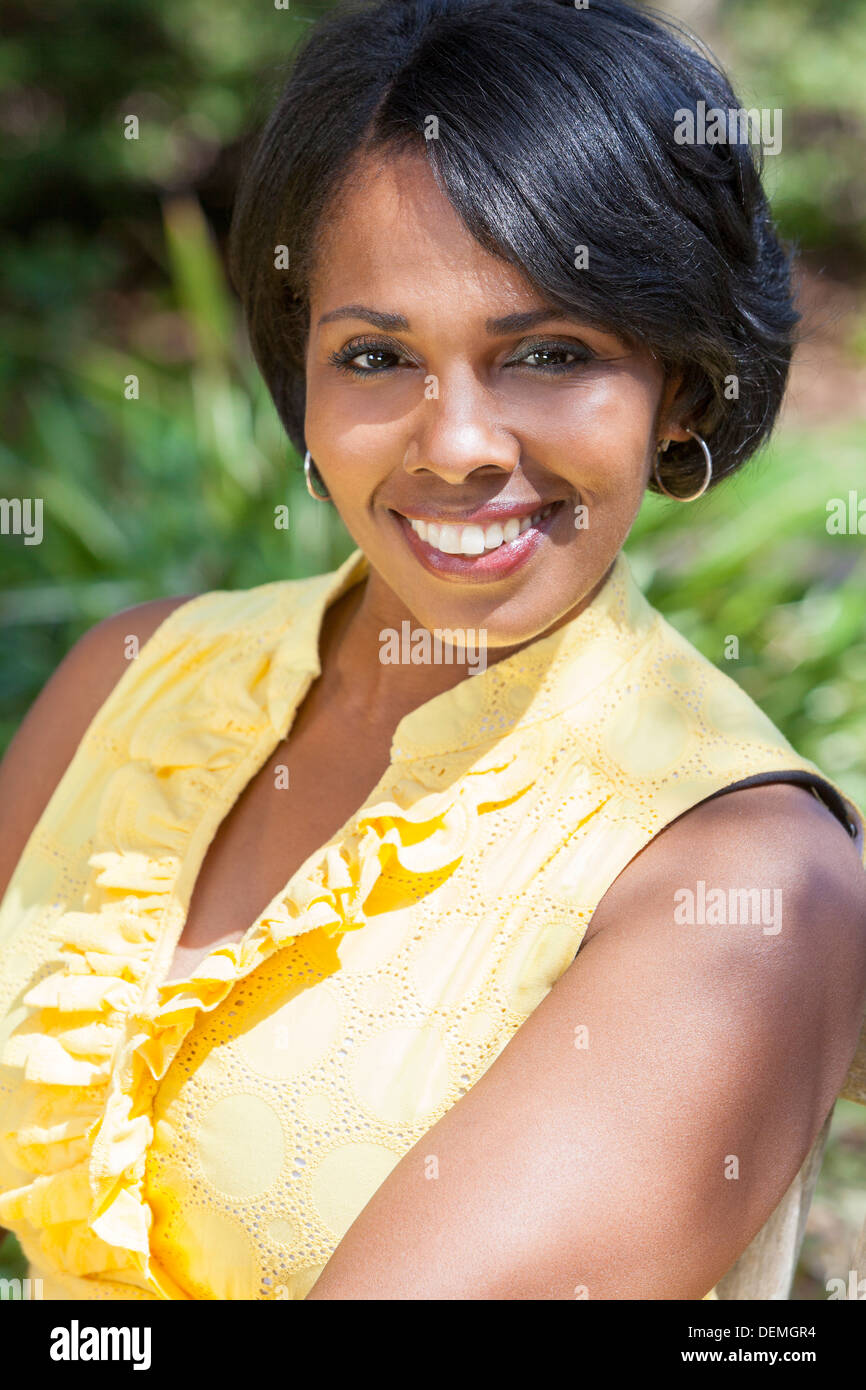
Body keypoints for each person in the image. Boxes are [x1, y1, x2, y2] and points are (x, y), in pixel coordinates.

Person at [1, 0, 864, 1301]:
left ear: (676, 385)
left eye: (548, 353)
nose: (454, 440)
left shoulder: (741, 878)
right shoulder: (129, 683)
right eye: (375, 353)